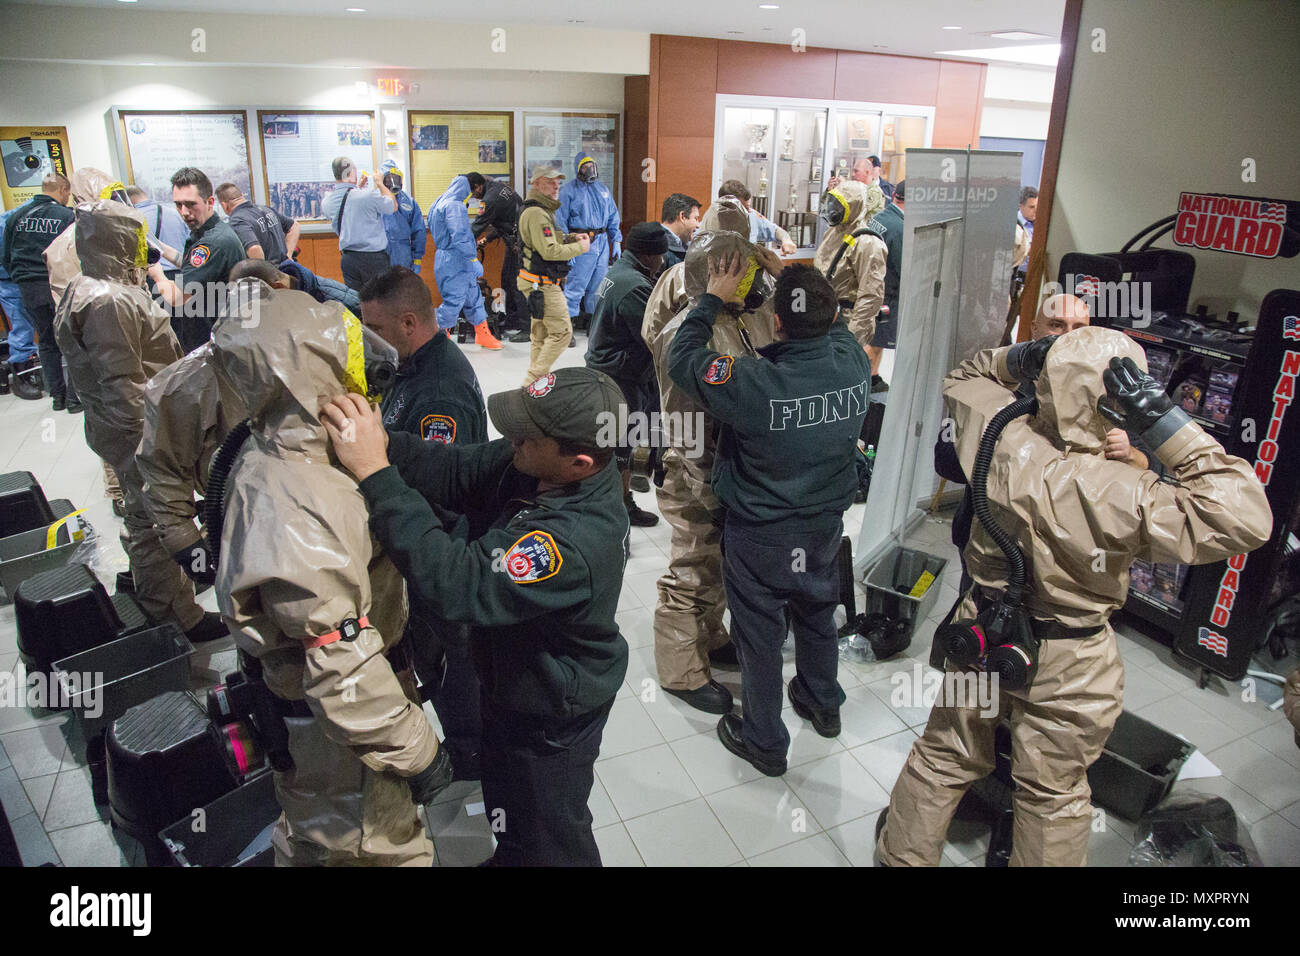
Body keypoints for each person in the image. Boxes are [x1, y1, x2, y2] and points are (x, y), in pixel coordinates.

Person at [878, 326, 1273, 866]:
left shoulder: (998, 436)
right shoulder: (1125, 491)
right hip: (1071, 657)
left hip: (983, 629)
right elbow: (1246, 515)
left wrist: (1019, 358)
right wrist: (1166, 427)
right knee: (1052, 795)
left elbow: (965, 374)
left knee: (945, 753)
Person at [319, 366, 631, 866]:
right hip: (513, 685)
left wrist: (376, 475)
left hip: (552, 713)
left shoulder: (571, 539)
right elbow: (454, 470)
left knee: (550, 833)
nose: (512, 439)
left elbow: (460, 584)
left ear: (579, 461)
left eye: (528, 435)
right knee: (507, 802)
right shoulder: (532, 463)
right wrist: (381, 442)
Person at [210, 283, 449, 866]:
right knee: (374, 847)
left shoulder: (280, 448)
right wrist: (417, 751)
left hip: (330, 723)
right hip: (343, 739)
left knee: (317, 835)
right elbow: (338, 662)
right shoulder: (302, 497)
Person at [669, 260, 870, 775]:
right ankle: (822, 703)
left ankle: (764, 741)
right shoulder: (853, 363)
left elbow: (684, 358)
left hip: (762, 533)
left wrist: (710, 298)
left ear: (775, 323)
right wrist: (801, 279)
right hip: (823, 528)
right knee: (816, 615)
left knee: (759, 636)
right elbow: (839, 326)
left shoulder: (754, 381)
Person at [52, 199, 226, 644]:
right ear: (112, 240)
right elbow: (123, 385)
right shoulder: (109, 301)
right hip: (137, 431)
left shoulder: (86, 287)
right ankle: (174, 613)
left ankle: (162, 590)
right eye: (132, 240)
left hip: (120, 428)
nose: (139, 251)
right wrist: (157, 444)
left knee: (144, 514)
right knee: (155, 520)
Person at [643, 198, 781, 714]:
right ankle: (681, 669)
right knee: (694, 564)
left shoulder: (743, 312)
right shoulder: (688, 331)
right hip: (694, 464)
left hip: (730, 462)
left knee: (719, 562)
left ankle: (709, 634)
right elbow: (688, 419)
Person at [359, 265, 488, 775]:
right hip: (419, 544)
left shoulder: (439, 391)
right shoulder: (409, 367)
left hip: (441, 547)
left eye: (377, 329)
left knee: (454, 658)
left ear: (409, 322)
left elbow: (440, 485)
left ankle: (469, 751)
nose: (370, 340)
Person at [585, 221, 667, 529]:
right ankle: (618, 513)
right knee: (620, 447)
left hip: (611, 368)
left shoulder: (619, 270)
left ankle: (620, 503)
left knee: (622, 443)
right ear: (648, 256)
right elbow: (655, 337)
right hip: (618, 375)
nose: (662, 261)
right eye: (660, 256)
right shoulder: (636, 288)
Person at [148, 167, 246, 352]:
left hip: (214, 343)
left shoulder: (212, 244)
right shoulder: (209, 233)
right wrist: (158, 247)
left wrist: (156, 273)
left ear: (210, 202)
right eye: (178, 205)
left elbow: (176, 297)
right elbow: (191, 266)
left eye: (190, 204)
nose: (184, 212)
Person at [3, 171, 78, 410]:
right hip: (59, 286)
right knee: (71, 341)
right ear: (63, 190)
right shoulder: (66, 216)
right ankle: (76, 401)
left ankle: (58, 397)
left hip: (29, 288)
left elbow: (5, 256)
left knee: (46, 341)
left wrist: (22, 279)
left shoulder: (15, 217)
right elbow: (76, 254)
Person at [518, 165, 590, 387]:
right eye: (550, 181)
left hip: (535, 282)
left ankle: (532, 388)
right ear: (537, 184)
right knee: (561, 333)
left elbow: (547, 242)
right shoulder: (538, 214)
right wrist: (581, 248)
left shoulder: (539, 210)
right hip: (543, 285)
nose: (556, 185)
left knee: (539, 336)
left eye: (557, 181)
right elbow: (549, 251)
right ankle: (531, 382)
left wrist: (570, 238)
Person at [812, 180, 887, 362]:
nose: (832, 210)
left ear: (854, 206)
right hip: (825, 317)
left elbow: (870, 296)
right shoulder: (833, 233)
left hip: (846, 321)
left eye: (838, 205)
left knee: (841, 368)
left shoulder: (868, 243)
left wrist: (852, 338)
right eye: (832, 204)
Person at [426, 174, 501, 350]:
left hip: (453, 259)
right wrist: (472, 258)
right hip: (456, 260)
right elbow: (460, 236)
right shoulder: (454, 206)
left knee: (474, 297)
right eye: (477, 190)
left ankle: (483, 334)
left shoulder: (440, 201)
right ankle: (437, 338)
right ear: (473, 186)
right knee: (454, 300)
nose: (477, 195)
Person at [556, 151, 621, 331]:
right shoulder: (568, 192)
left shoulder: (603, 190)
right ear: (578, 169)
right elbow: (560, 221)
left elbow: (613, 216)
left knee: (598, 287)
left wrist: (616, 239)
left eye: (592, 165)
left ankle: (594, 324)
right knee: (576, 285)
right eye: (585, 166)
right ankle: (566, 328)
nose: (590, 169)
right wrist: (567, 248)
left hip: (601, 243)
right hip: (581, 242)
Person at [467, 172, 528, 343]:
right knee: (507, 279)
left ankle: (526, 327)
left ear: (479, 186)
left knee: (518, 284)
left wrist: (461, 242)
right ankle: (512, 320)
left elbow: (477, 226)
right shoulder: (499, 187)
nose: (473, 196)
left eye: (473, 192)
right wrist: (486, 239)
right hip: (516, 238)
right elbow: (503, 220)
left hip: (520, 242)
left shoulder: (489, 199)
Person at [321, 156, 395, 291]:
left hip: (348, 259)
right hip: (374, 259)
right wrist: (380, 184)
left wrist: (357, 187)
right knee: (381, 300)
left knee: (356, 301)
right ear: (351, 172)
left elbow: (347, 206)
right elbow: (391, 206)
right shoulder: (367, 195)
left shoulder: (327, 202)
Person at [0, 207, 42, 399]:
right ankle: (22, 375)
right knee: (22, 325)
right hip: (10, 280)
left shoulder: (13, 217)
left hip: (21, 277)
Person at [864, 179, 904, 370]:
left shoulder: (879, 218)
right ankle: (867, 387)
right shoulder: (899, 228)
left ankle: (872, 382)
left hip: (869, 290)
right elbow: (904, 267)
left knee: (874, 342)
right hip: (886, 296)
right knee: (874, 344)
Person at [215, 183, 299, 263]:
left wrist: (262, 274)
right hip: (286, 270)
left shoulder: (237, 220)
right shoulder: (266, 209)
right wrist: (288, 256)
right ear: (242, 196)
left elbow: (254, 248)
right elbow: (294, 226)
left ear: (224, 205)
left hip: (269, 274)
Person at [125, 185, 188, 281]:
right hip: (181, 273)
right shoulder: (176, 214)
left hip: (154, 277)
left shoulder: (133, 219)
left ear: (128, 200)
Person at [716, 180, 796, 255]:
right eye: (742, 209)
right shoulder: (711, 224)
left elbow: (776, 230)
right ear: (725, 209)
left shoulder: (752, 216)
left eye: (748, 207)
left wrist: (786, 240)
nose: (748, 212)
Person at [377, 161, 425, 272]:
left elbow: (419, 231)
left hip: (402, 254)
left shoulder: (409, 202)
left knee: (402, 287)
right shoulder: (375, 200)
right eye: (388, 179)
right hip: (380, 253)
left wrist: (417, 259)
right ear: (381, 181)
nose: (392, 183)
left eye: (395, 178)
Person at [659, 192, 702, 266]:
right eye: (696, 218)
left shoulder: (682, 246)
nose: (698, 225)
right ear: (683, 217)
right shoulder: (658, 250)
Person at [1016, 186, 1038, 277]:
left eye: (1037, 206)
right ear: (1021, 206)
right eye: (1032, 207)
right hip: (1017, 274)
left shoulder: (1040, 224)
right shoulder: (1015, 225)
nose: (1036, 210)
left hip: (1033, 275)